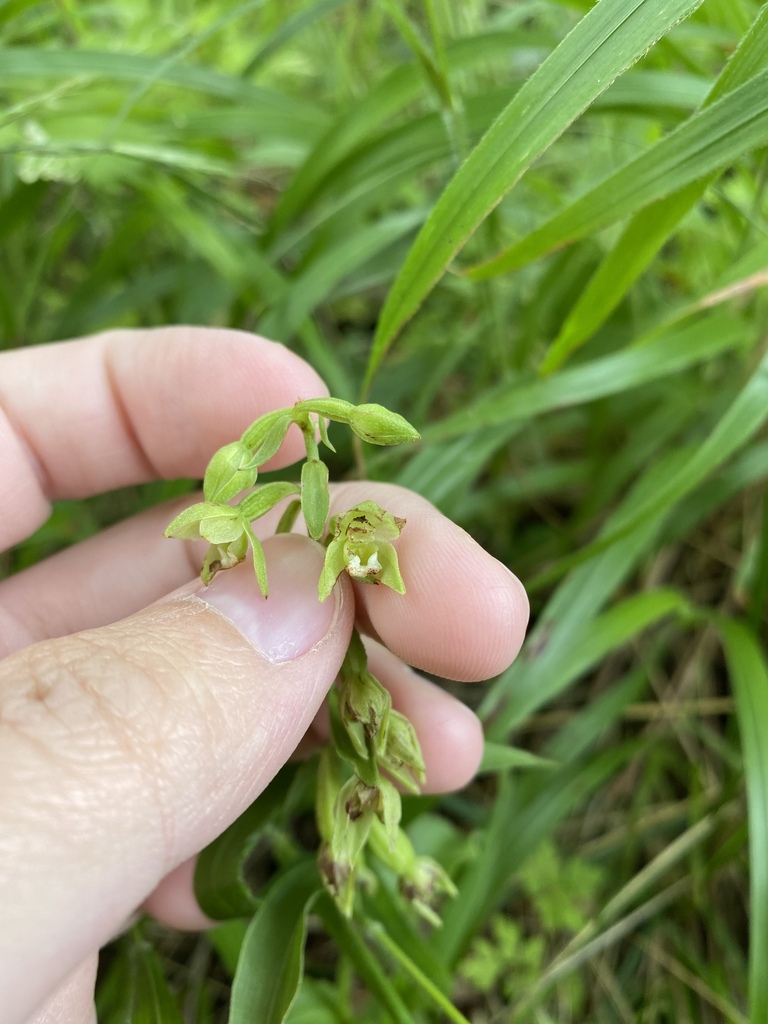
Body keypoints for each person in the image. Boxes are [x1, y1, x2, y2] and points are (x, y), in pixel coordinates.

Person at [0, 327, 529, 1024]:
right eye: (224, 538)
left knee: (385, 715)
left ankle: (388, 865)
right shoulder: (269, 520)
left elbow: (340, 551)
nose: (360, 542)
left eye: (365, 538)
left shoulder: (337, 532)